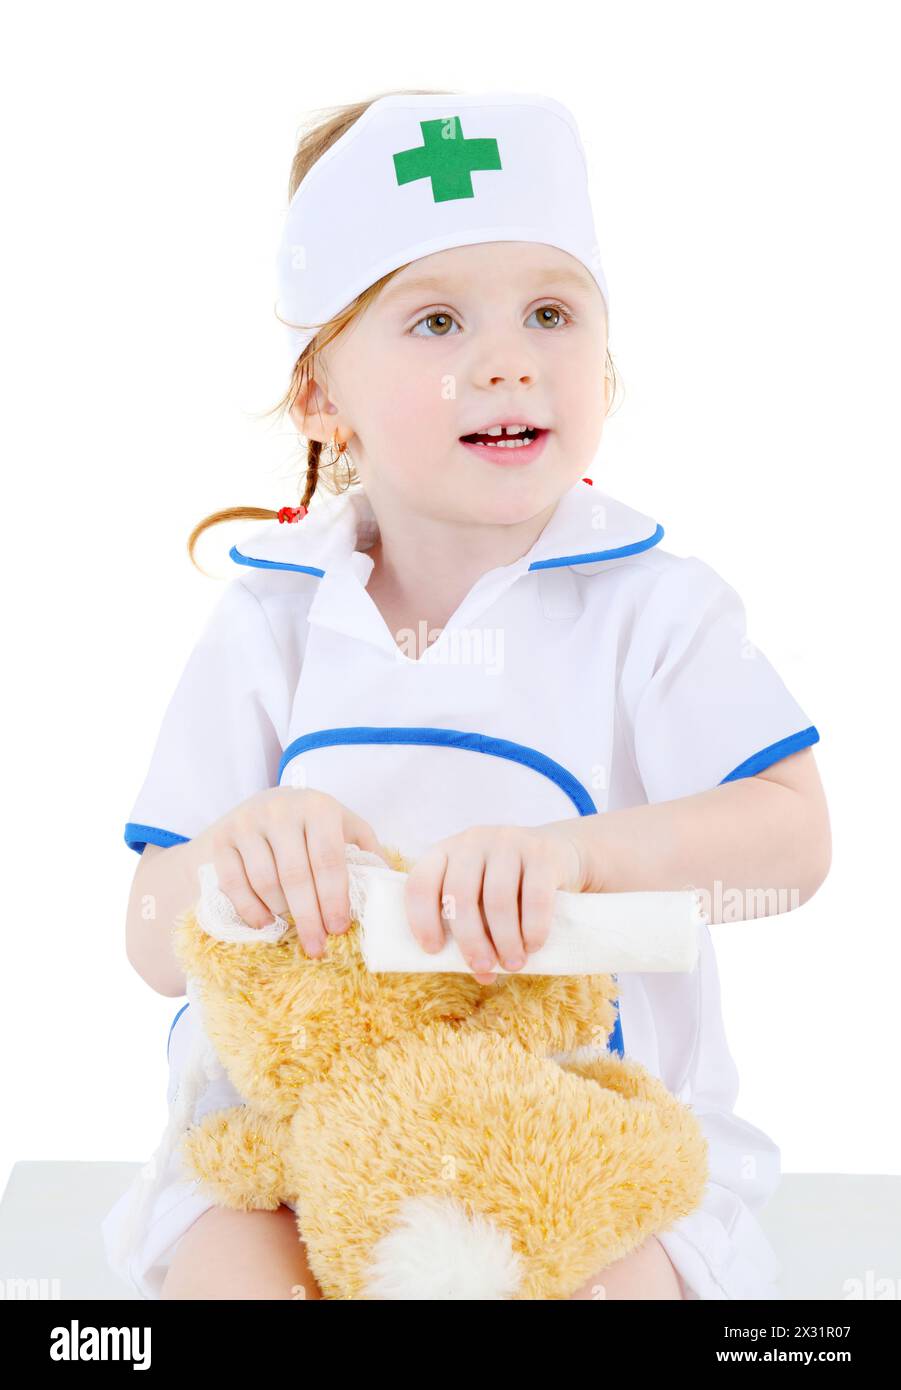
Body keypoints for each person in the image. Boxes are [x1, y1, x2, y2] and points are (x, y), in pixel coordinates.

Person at [101, 88, 832, 1301]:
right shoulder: (271, 620)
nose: (505, 359)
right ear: (321, 398)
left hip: (584, 1138)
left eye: (550, 312)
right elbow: (147, 936)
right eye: (435, 321)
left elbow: (794, 842)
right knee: (230, 1275)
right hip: (294, 1147)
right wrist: (238, 861)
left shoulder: (652, 606)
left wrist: (579, 858)